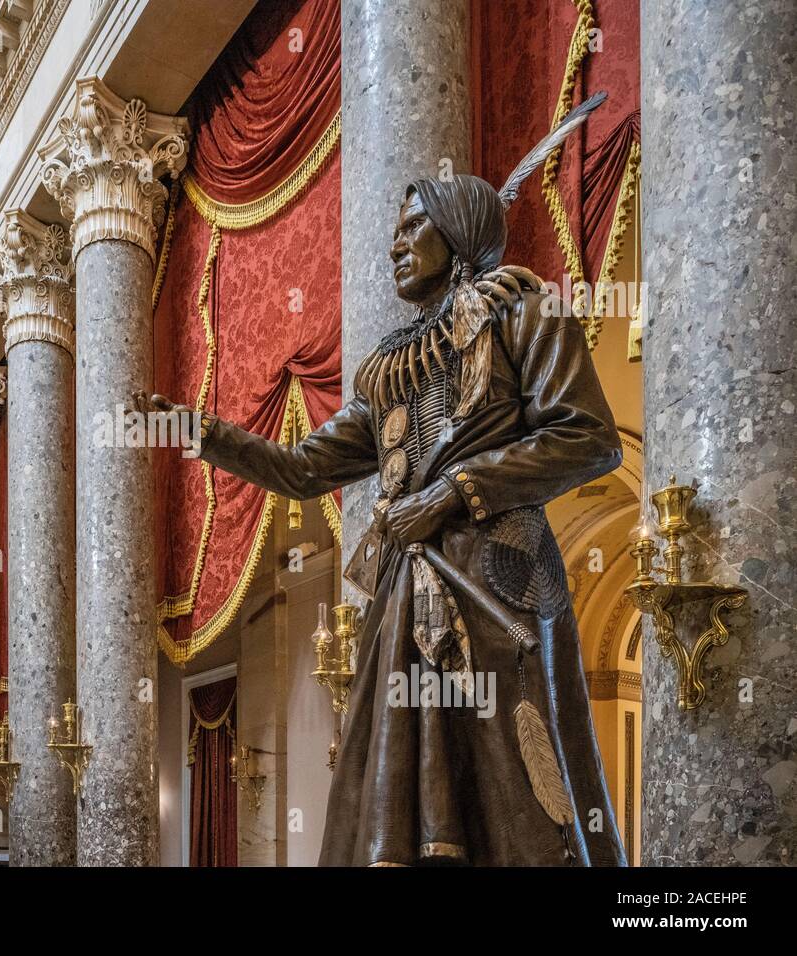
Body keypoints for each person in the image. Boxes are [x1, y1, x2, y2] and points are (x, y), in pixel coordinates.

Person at [142, 99, 625, 866]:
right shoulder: (392, 368)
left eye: (413, 228)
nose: (395, 245)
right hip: (409, 590)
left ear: (459, 233)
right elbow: (302, 471)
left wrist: (455, 490)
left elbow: (590, 440)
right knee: (393, 776)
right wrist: (201, 433)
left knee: (508, 769)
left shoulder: (525, 313)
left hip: (498, 576)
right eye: (394, 231)